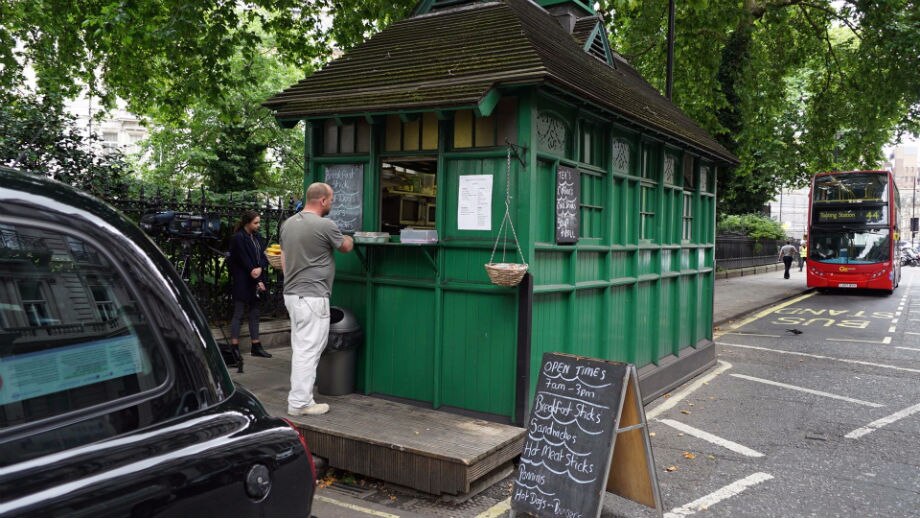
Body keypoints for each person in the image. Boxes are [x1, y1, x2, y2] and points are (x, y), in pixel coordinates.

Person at [281, 182, 354, 416]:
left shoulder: (288, 224)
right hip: (312, 297)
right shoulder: (325, 225)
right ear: (322, 200)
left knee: (302, 348)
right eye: (331, 200)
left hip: (293, 294)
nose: (332, 204)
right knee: (309, 350)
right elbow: (345, 247)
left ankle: (300, 398)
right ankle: (300, 403)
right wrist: (352, 237)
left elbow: (284, 258)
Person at [228, 210, 272, 359]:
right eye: (256, 223)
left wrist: (260, 270)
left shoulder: (257, 237)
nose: (258, 225)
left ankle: (256, 345)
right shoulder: (238, 238)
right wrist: (257, 277)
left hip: (256, 278)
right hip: (243, 280)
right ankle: (234, 347)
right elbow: (244, 261)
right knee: (239, 313)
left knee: (255, 313)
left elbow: (264, 257)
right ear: (247, 223)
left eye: (259, 222)